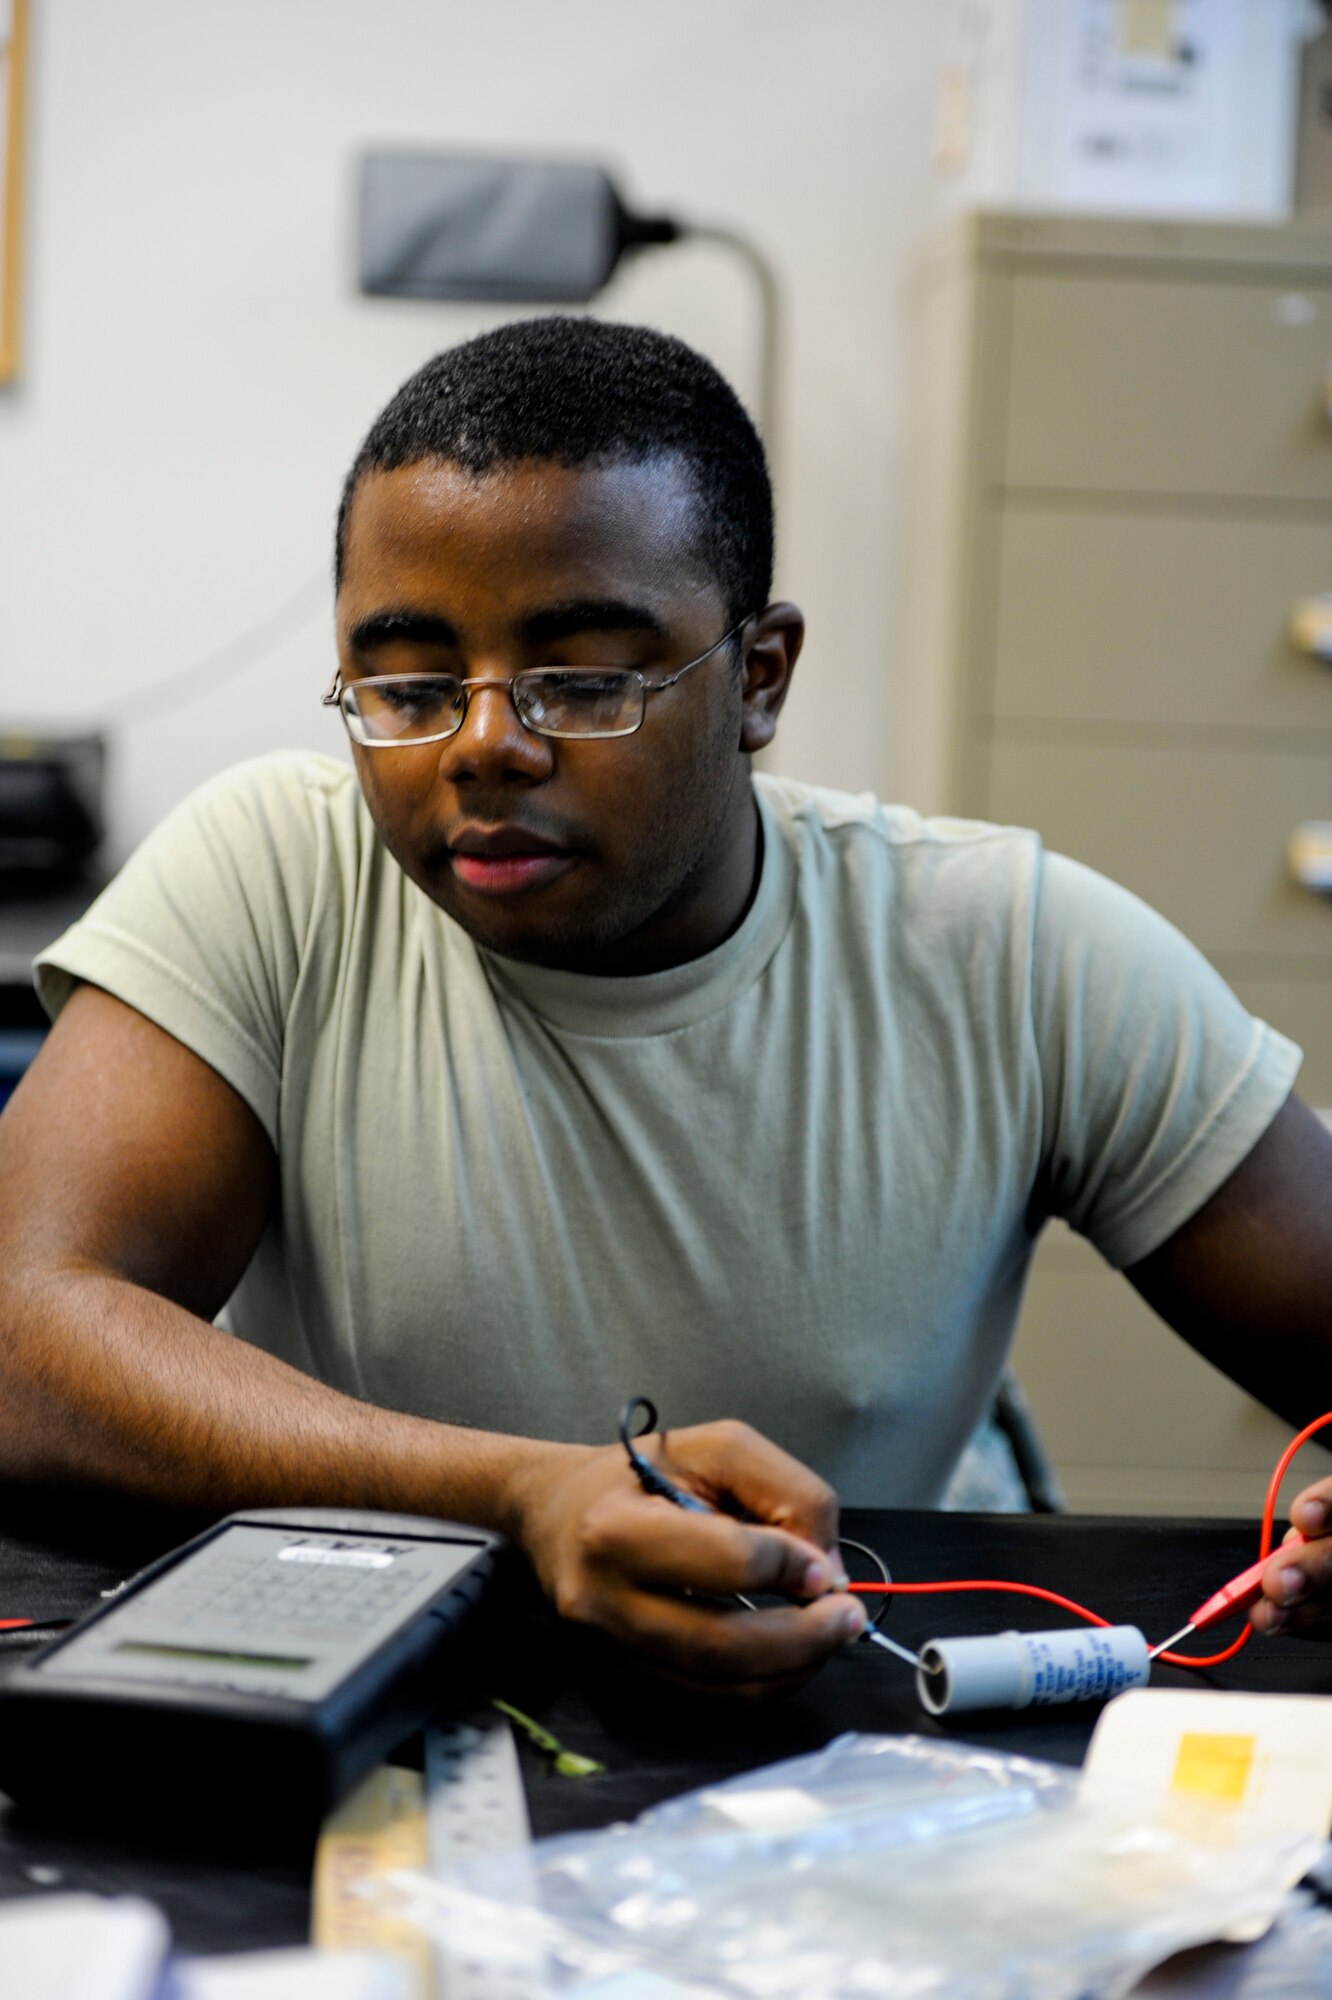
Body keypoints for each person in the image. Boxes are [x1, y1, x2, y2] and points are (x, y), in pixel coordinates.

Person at [0, 318, 1329, 1696]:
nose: (486, 745)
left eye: (582, 679)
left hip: (842, 1712)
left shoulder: (1008, 949)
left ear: (757, 680)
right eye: (408, 687)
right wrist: (525, 1494)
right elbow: (24, 1342)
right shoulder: (276, 871)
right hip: (364, 1715)